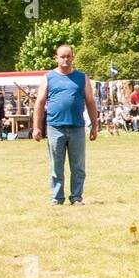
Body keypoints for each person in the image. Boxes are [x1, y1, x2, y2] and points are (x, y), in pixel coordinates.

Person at [32, 42, 98, 205]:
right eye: (62, 56)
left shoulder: (81, 77)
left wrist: (95, 126)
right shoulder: (48, 78)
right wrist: (36, 127)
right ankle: (57, 197)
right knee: (56, 165)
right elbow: (39, 103)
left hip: (77, 127)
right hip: (55, 127)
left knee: (78, 166)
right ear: (56, 58)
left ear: (72, 57)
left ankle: (76, 197)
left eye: (68, 56)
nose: (65, 60)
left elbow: (90, 102)